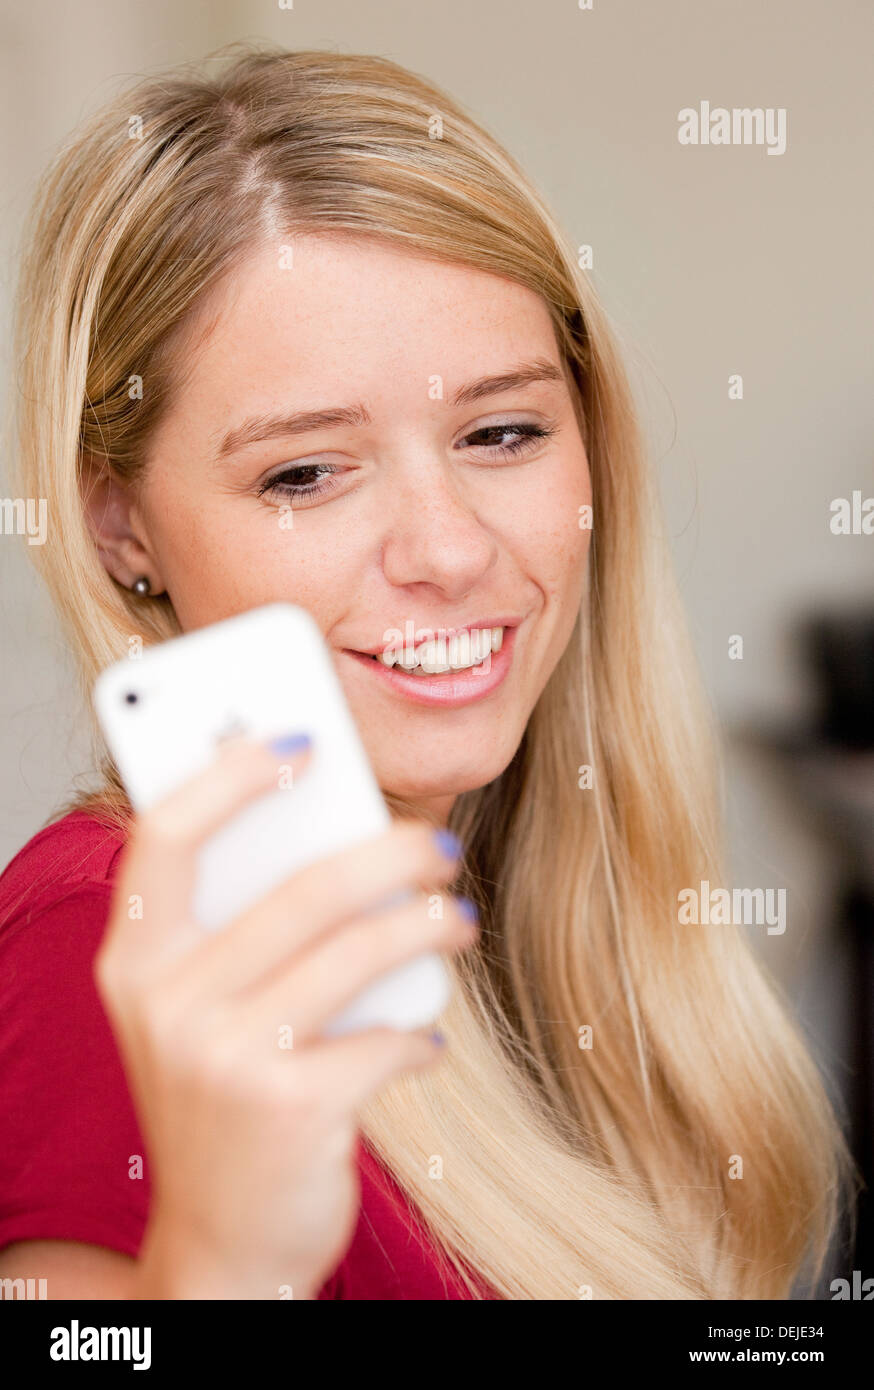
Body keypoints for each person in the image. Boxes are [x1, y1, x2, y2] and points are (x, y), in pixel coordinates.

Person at [0, 42, 851, 1299]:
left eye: (502, 432)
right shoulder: (105, 957)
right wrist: (219, 1262)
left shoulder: (527, 913)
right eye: (304, 471)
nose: (450, 550)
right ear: (122, 526)